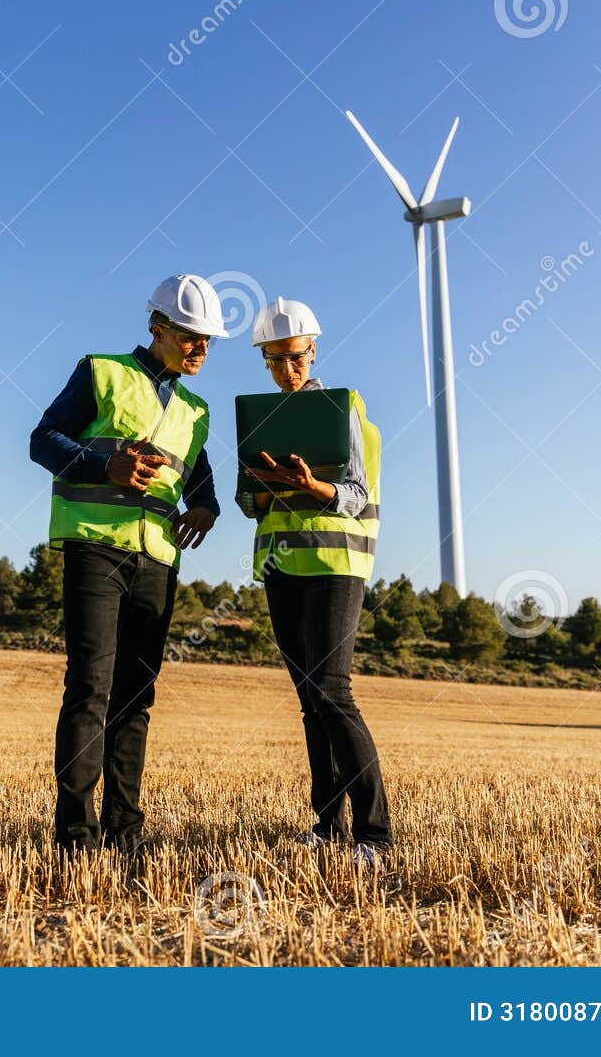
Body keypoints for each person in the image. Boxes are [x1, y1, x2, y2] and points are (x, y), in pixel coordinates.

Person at [29, 273, 229, 855]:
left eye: (209, 341)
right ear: (158, 327)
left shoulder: (195, 410)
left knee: (137, 695)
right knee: (90, 687)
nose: (202, 349)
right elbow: (42, 440)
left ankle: (125, 830)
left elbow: (202, 480)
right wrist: (102, 467)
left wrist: (208, 509)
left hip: (158, 562)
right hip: (96, 549)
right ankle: (75, 835)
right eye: (192, 335)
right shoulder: (101, 371)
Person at [239, 297, 394, 868]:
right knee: (311, 702)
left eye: (295, 357)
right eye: (275, 361)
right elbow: (251, 505)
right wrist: (260, 482)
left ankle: (374, 835)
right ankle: (327, 827)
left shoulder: (342, 407)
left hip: (336, 566)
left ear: (313, 350)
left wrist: (312, 487)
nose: (286, 370)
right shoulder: (259, 417)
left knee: (333, 690)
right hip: (283, 568)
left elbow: (354, 493)